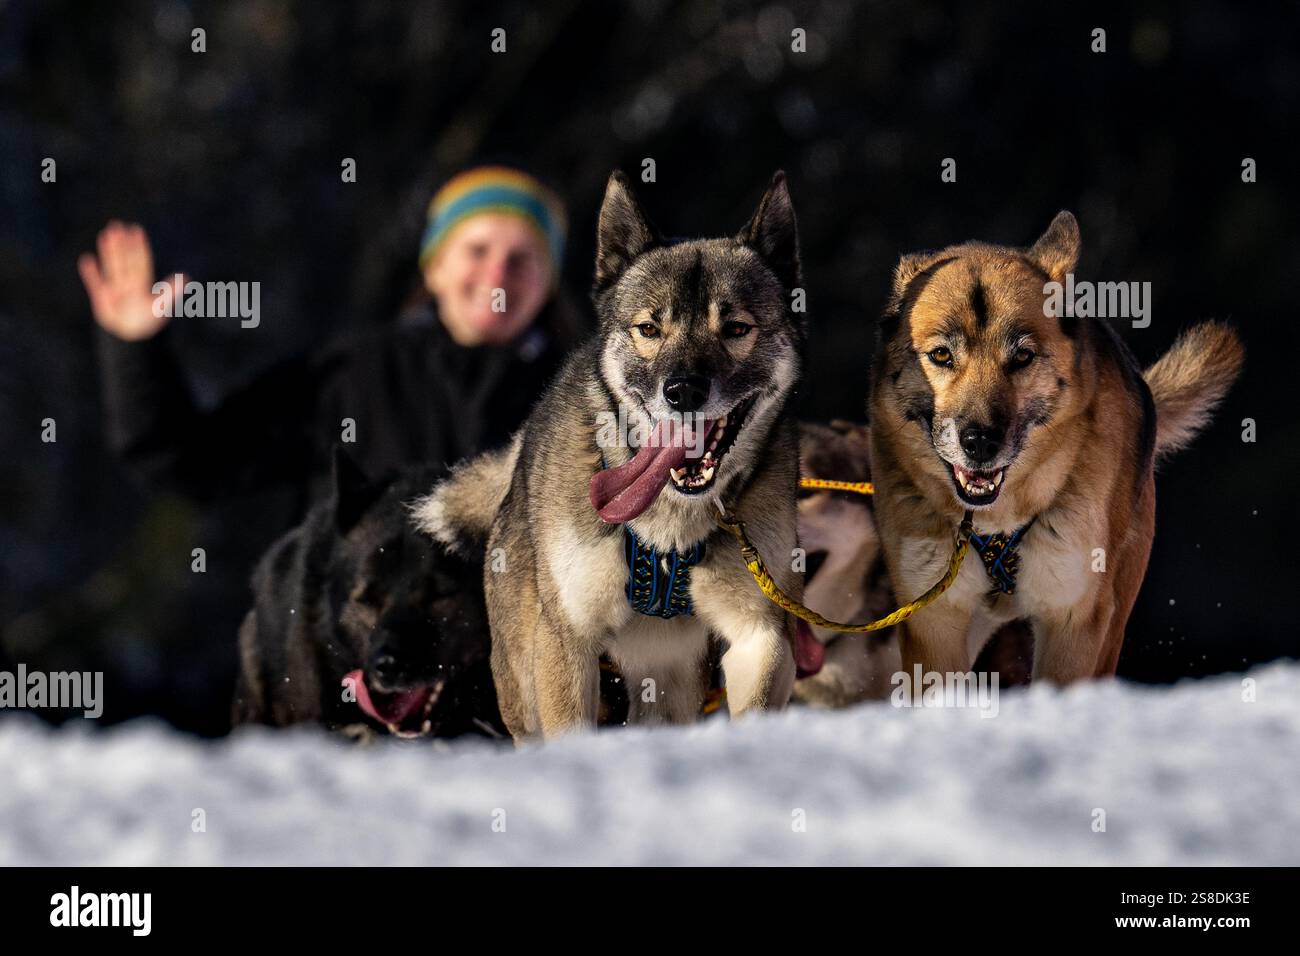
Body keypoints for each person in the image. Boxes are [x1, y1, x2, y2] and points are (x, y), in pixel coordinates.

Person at [79, 165, 577, 510]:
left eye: (522, 260)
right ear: (436, 266)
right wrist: (134, 350)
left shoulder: (587, 400)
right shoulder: (353, 375)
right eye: (476, 249)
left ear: (547, 285)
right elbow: (190, 461)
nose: (496, 276)